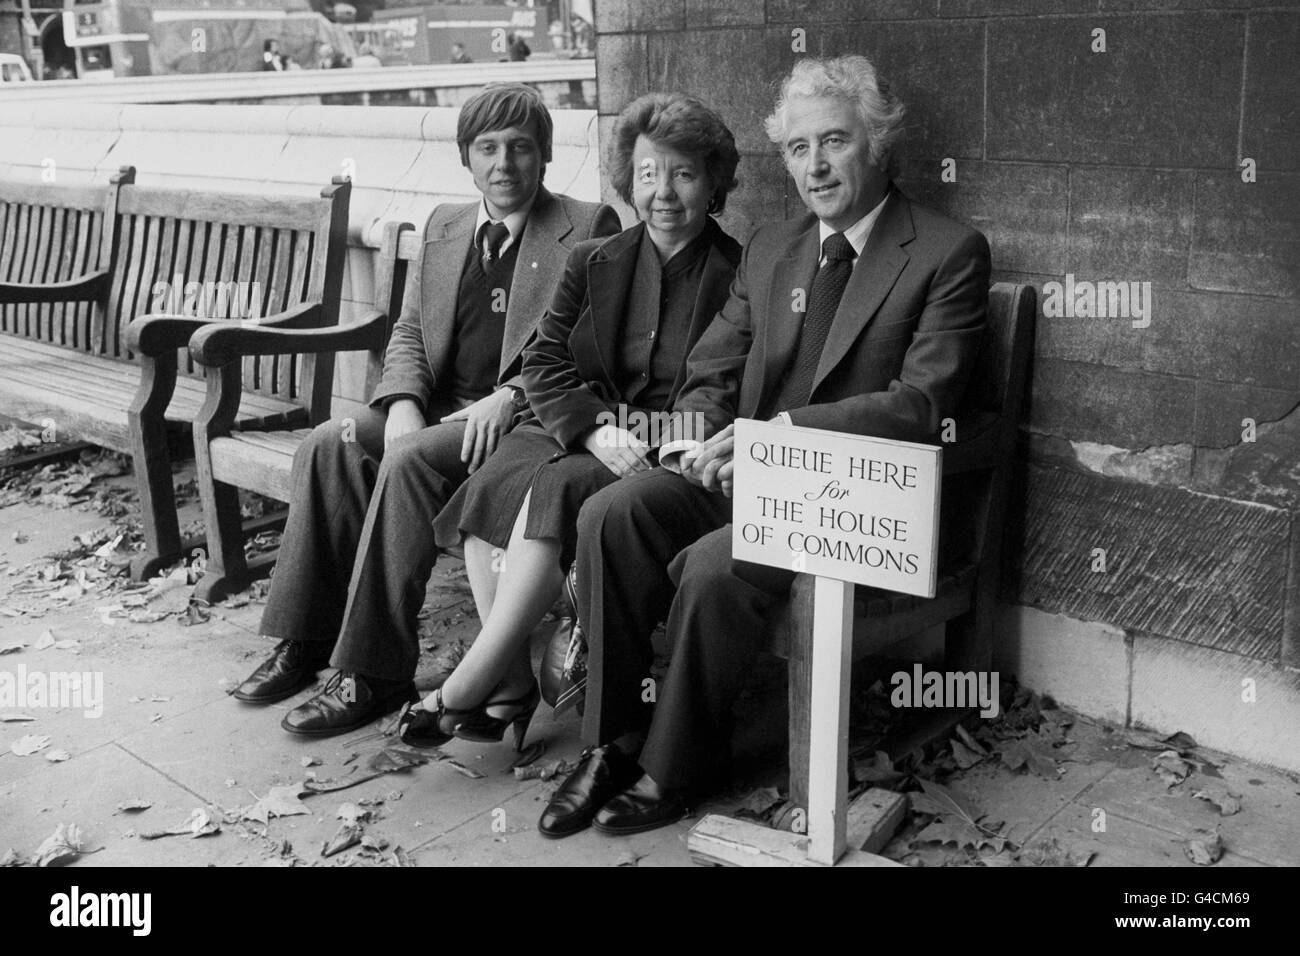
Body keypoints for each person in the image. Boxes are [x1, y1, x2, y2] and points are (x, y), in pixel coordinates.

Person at [539, 55, 992, 838]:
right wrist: (699, 440)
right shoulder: (773, 247)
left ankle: (672, 766)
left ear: (877, 144)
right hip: (750, 470)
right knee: (614, 513)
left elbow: (920, 406)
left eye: (835, 142)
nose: (815, 166)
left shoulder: (946, 252)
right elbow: (715, 364)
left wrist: (777, 437)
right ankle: (611, 741)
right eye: (797, 148)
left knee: (718, 567)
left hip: (855, 495)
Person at [230, 84, 621, 737]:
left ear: (545, 155)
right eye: (487, 149)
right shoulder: (446, 225)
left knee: (407, 460)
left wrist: (514, 393)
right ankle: (306, 640)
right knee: (332, 442)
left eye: (521, 148)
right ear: (466, 158)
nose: (504, 165)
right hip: (440, 412)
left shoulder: (586, 226)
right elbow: (410, 330)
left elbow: (594, 349)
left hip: (524, 425)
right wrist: (405, 402)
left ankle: (374, 672)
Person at [403, 93, 742, 753]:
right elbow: (544, 361)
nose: (663, 192)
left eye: (683, 173)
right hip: (581, 426)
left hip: (658, 445)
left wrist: (632, 437)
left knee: (549, 491)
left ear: (714, 183)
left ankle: (471, 686)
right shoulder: (596, 258)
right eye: (648, 174)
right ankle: (506, 687)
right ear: (628, 181)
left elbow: (716, 393)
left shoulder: (736, 274)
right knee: (492, 478)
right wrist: (590, 427)